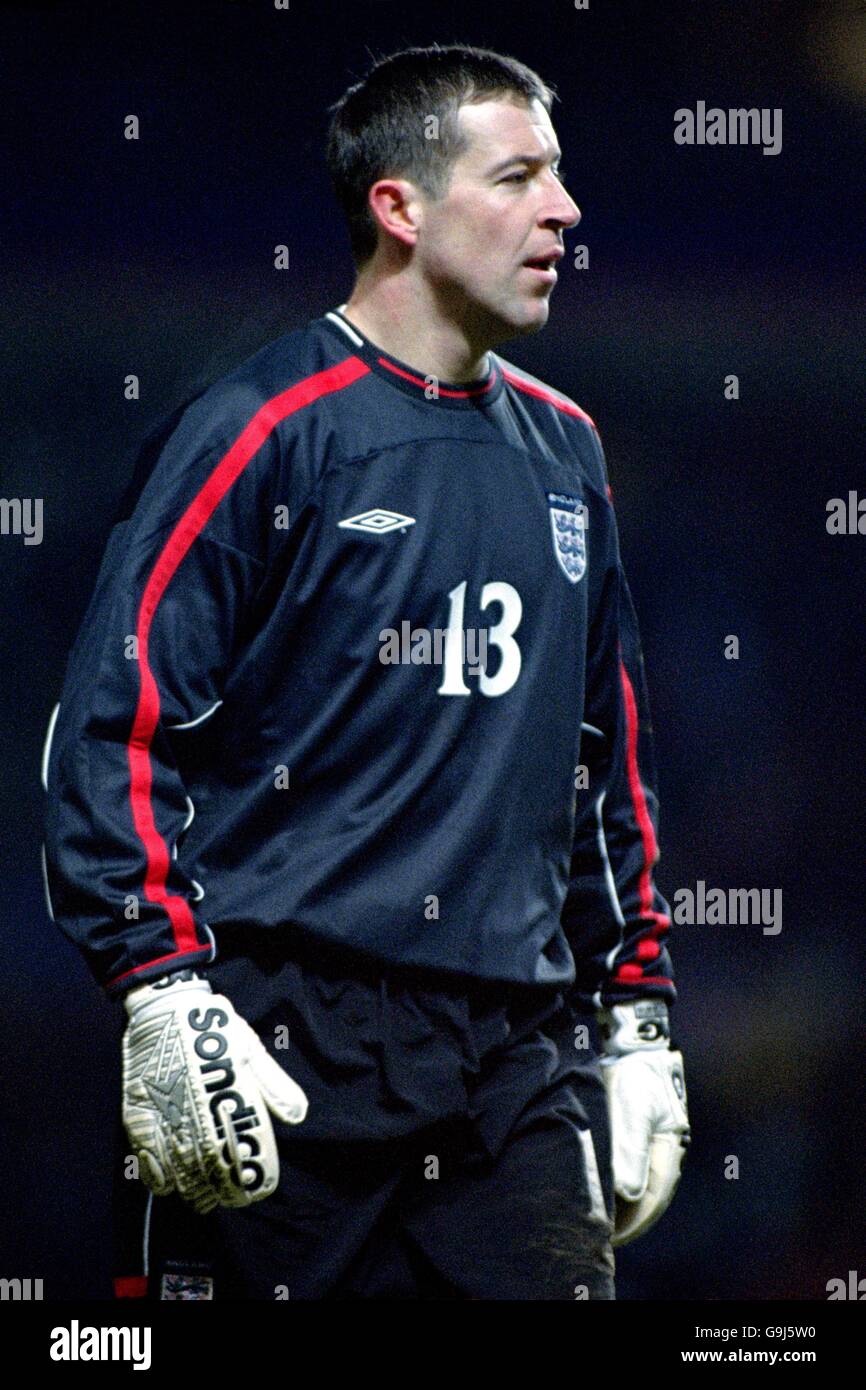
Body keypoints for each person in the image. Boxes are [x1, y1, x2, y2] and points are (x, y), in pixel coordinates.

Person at [43, 43, 689, 1301]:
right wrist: (158, 987)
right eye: (518, 176)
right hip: (283, 1051)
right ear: (398, 205)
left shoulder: (568, 451)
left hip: (516, 1061)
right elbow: (111, 729)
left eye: (557, 176)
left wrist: (639, 1011)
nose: (563, 209)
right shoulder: (258, 433)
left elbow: (605, 770)